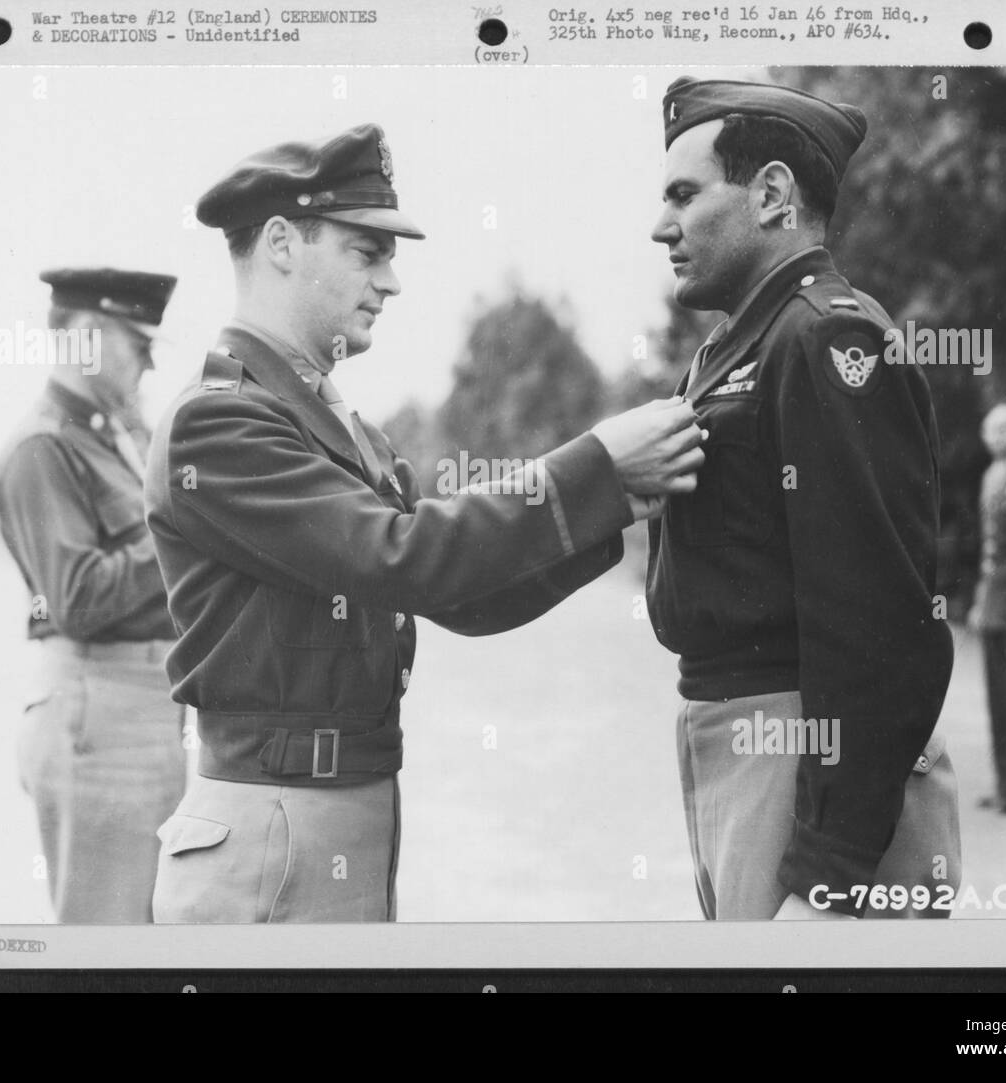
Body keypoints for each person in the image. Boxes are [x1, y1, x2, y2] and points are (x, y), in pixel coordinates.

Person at [145, 122, 705, 923]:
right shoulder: (221, 424)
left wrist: (613, 505)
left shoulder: (336, 426)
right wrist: (597, 470)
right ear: (280, 243)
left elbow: (458, 595)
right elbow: (402, 556)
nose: (392, 281)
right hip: (270, 828)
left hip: (330, 816)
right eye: (367, 252)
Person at [645, 78, 960, 921]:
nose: (660, 225)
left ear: (774, 195)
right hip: (748, 756)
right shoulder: (737, 344)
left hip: (805, 766)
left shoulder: (826, 335)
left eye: (683, 194)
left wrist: (832, 872)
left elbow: (881, 628)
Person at [0, 267, 187, 923]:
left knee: (151, 940)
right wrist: (187, 529)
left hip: (140, 711)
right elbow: (77, 598)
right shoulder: (40, 448)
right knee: (108, 946)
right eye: (140, 344)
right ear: (88, 336)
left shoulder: (117, 437)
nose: (150, 364)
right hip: (96, 720)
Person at [968, 401, 1006, 813]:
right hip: (995, 600)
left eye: (1002, 429)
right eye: (990, 430)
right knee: (999, 698)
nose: (994, 437)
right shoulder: (994, 474)